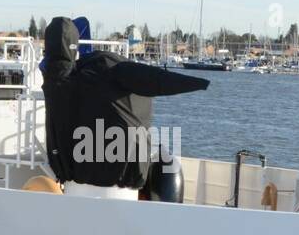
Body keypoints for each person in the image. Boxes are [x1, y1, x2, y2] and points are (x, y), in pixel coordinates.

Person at [42, 17, 208, 193]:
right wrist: (199, 83)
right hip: (116, 183)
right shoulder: (104, 70)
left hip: (77, 182)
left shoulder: (58, 81)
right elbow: (157, 81)